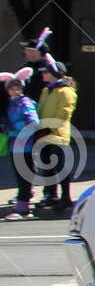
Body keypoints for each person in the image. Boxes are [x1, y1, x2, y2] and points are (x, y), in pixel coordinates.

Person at [35, 65, 78, 214]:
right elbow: (40, 110)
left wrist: (49, 128)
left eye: (45, 72)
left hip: (58, 134)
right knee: (47, 167)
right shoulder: (46, 90)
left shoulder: (66, 91)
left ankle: (66, 197)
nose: (43, 75)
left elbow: (64, 113)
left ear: (54, 73)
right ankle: (51, 195)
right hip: (43, 134)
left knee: (60, 168)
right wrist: (38, 127)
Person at [1, 69, 40, 219]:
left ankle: (23, 207)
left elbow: (33, 122)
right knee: (20, 175)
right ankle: (23, 202)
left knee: (24, 174)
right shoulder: (12, 103)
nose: (14, 90)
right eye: (11, 87)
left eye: (17, 87)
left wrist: (12, 126)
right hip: (15, 145)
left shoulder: (25, 102)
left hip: (25, 145)